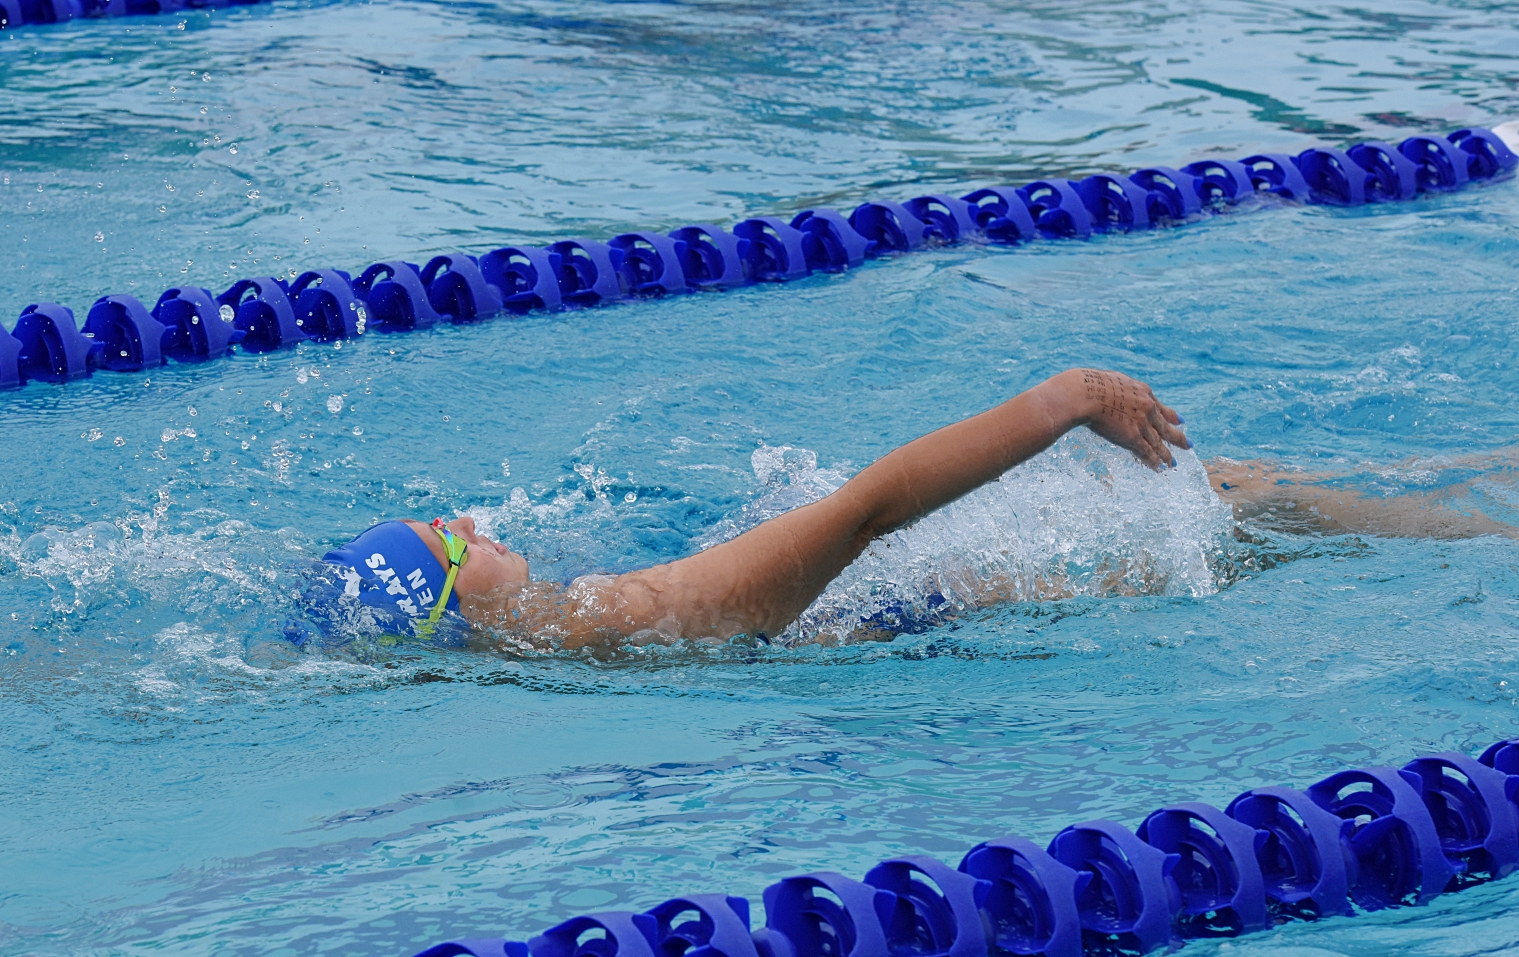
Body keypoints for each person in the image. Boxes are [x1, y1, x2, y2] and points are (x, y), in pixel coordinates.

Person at [317, 367, 1513, 650]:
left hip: (902, 613)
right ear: (453, 608)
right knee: (1238, 507)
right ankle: (1488, 512)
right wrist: (1068, 398)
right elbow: (875, 508)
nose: (465, 522)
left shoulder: (572, 631)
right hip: (948, 605)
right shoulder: (646, 612)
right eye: (445, 544)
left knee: (1239, 503)